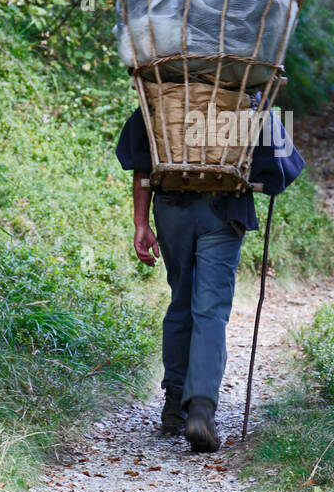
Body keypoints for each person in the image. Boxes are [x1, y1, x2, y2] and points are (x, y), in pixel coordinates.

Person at [116, 100, 304, 452]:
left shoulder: (160, 89)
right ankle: (200, 408)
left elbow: (141, 163)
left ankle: (174, 405)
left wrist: (141, 222)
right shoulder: (254, 94)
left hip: (171, 207)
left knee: (181, 299)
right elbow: (283, 170)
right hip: (223, 208)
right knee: (211, 310)